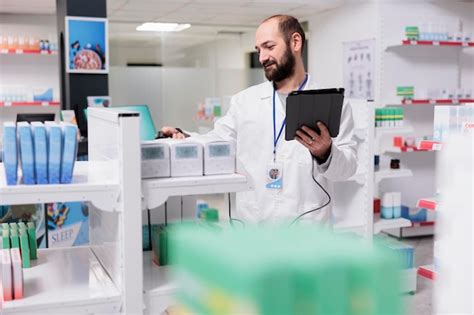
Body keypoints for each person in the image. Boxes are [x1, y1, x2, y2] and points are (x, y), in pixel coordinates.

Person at [162, 15, 357, 224]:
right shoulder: (245, 102)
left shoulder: (332, 103)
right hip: (254, 227)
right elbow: (217, 141)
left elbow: (348, 169)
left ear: (296, 42)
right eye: (259, 50)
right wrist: (183, 136)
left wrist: (326, 153)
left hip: (307, 230)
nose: (262, 57)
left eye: (269, 47)